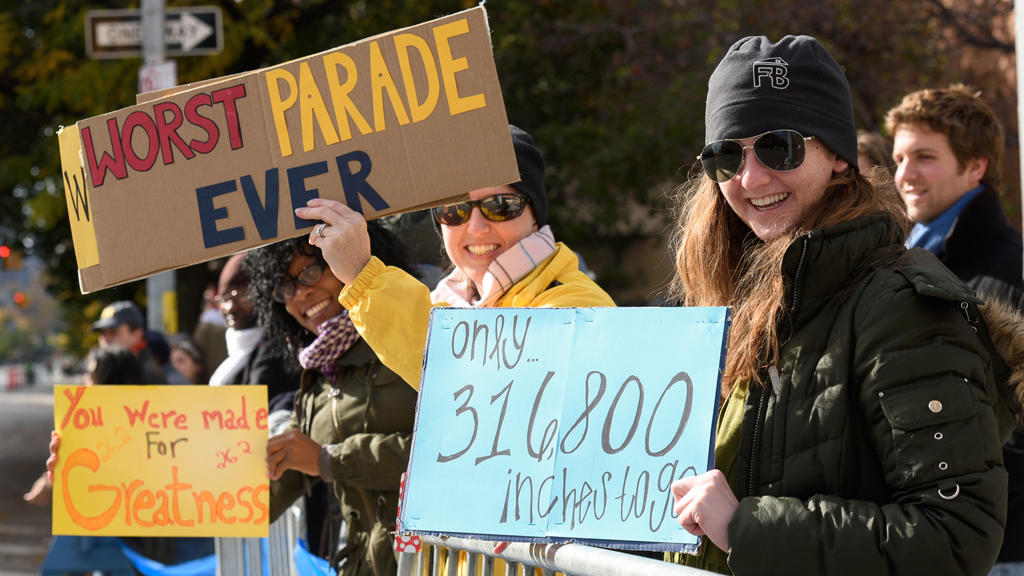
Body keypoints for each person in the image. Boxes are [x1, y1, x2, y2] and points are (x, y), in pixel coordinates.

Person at [666, 35, 1021, 575]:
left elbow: (956, 536)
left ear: (836, 155)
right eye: (726, 155)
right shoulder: (734, 300)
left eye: (779, 147)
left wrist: (745, 528)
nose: (751, 177)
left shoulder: (902, 306)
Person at [296, 124, 615, 391]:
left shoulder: (578, 305)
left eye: (500, 206)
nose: (476, 227)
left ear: (535, 216)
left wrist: (362, 275)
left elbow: (476, 387)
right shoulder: (445, 303)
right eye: (455, 210)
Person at [886, 84, 1024, 572]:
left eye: (924, 157)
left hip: (999, 552)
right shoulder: (899, 262)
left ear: (976, 166)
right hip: (917, 539)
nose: (904, 175)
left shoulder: (1012, 273)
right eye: (899, 158)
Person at [246, 229, 418, 576]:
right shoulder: (318, 377)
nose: (301, 293)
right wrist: (191, 490)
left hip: (431, 562)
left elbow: (453, 455)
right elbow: (272, 487)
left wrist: (331, 460)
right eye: (285, 288)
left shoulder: (410, 338)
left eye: (311, 271)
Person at [91, 300, 165, 384]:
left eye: (113, 332)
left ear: (137, 333)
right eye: (102, 333)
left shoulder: (148, 373)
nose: (105, 339)